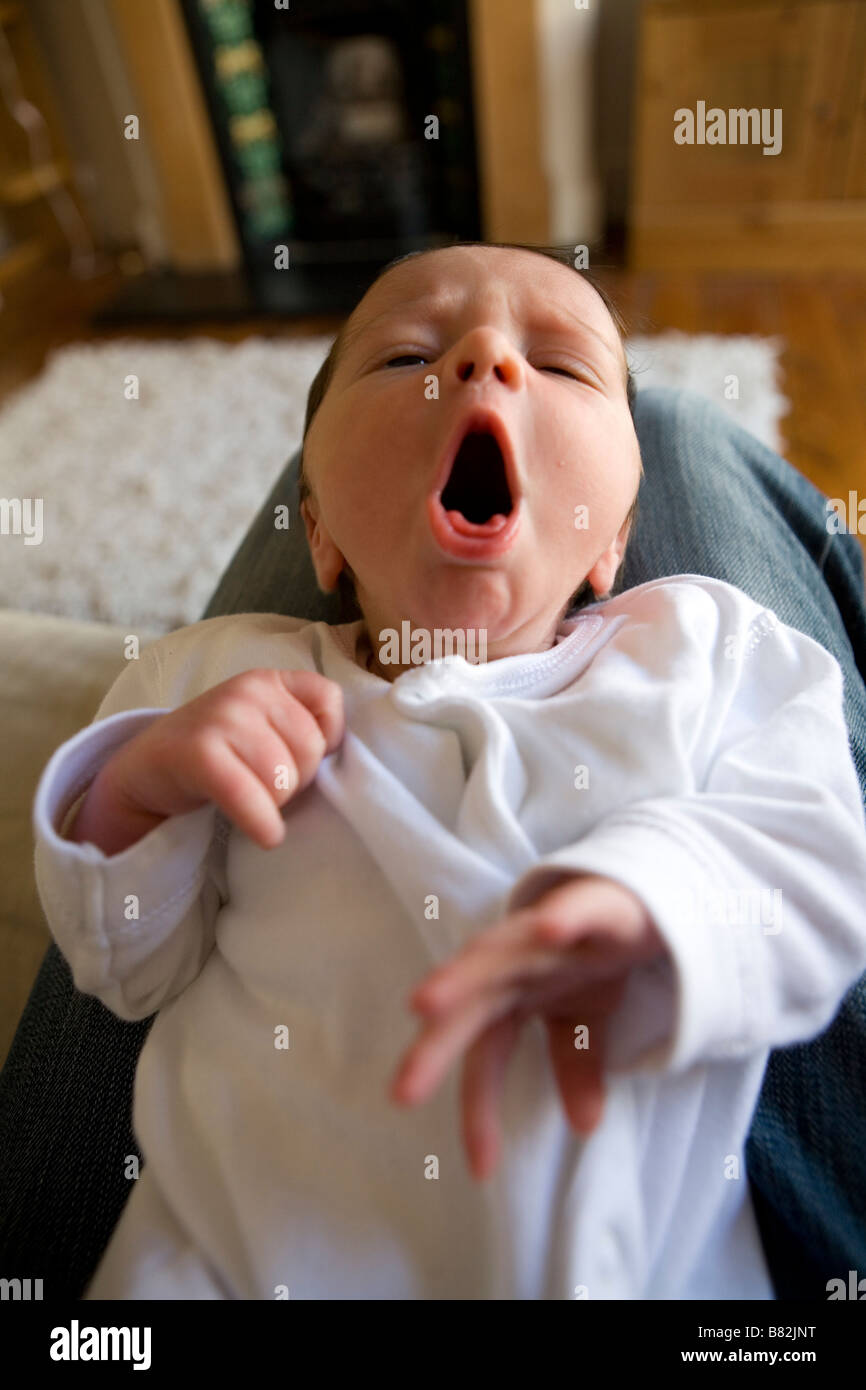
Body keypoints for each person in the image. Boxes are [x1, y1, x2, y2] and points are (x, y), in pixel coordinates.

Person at [30, 244, 866, 1299]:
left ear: (613, 542)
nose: (480, 358)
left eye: (560, 366)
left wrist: (661, 894)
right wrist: (136, 789)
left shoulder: (703, 646)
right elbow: (121, 966)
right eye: (403, 357)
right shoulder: (213, 674)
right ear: (319, 532)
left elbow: (823, 861)